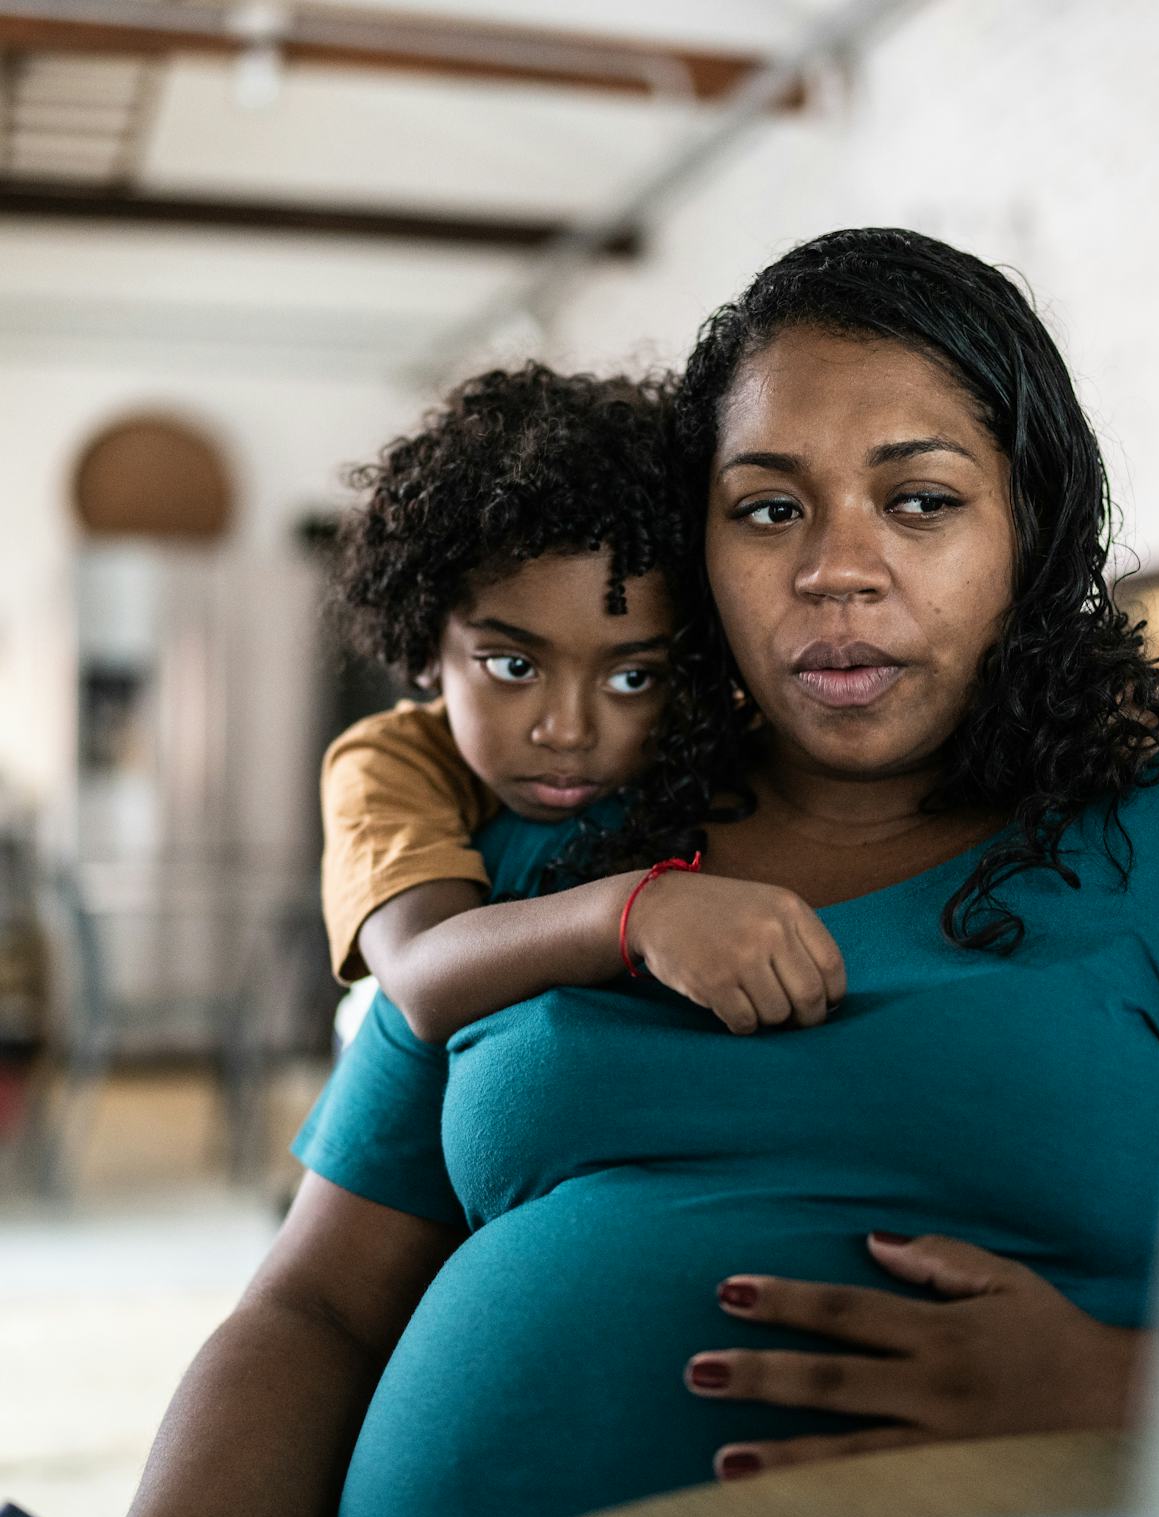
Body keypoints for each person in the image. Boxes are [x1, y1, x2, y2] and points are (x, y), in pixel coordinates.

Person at [14, 228, 1159, 1517]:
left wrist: (1125, 1386)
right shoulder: (546, 849)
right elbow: (315, 1307)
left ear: (1030, 533)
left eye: (919, 501)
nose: (836, 572)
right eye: (767, 508)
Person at [319, 362, 843, 1042]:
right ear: (424, 646)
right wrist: (638, 914)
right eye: (513, 666)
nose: (567, 731)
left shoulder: (721, 737)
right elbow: (422, 976)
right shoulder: (390, 765)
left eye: (633, 678)